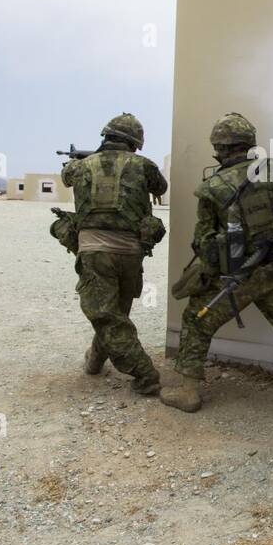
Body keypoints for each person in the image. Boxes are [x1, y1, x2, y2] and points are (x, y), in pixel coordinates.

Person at [161, 113, 273, 415]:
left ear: (219, 147)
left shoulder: (212, 187)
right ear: (250, 143)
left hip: (237, 278)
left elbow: (203, 243)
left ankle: (188, 391)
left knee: (196, 320)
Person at [61, 113, 168, 394]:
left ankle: (145, 374)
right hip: (132, 253)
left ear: (105, 136)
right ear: (135, 142)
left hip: (95, 251)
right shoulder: (144, 166)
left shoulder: (80, 167)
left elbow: (65, 176)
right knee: (114, 313)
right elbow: (161, 187)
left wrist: (81, 160)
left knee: (106, 314)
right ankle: (95, 360)